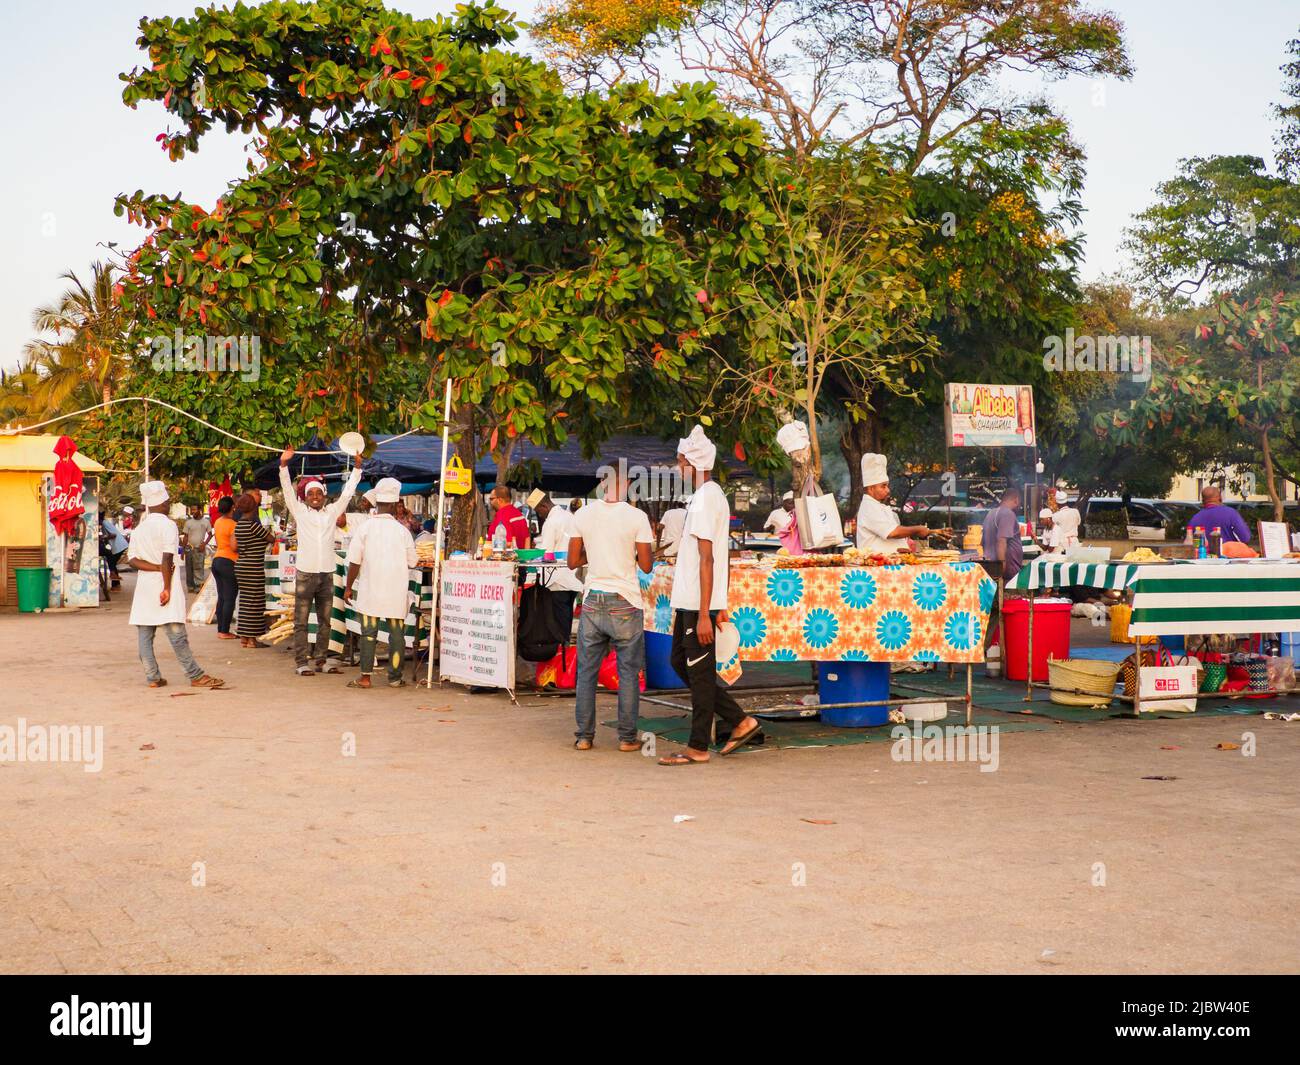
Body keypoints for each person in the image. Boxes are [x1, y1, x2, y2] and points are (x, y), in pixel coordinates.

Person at [658, 426, 762, 766]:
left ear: (694, 464)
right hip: (692, 600)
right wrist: (716, 604)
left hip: (696, 603)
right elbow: (716, 556)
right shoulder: (705, 496)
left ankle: (698, 746)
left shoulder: (706, 498)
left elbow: (709, 558)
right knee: (679, 661)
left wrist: (707, 612)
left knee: (699, 673)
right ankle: (741, 720)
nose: (678, 469)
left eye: (681, 462)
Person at [565, 478, 653, 751]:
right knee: (627, 673)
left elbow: (572, 562)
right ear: (626, 485)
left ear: (604, 484)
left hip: (593, 599)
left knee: (586, 672)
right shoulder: (638, 517)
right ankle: (627, 739)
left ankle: (584, 737)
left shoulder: (583, 515)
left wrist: (596, 557)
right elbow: (647, 566)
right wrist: (631, 555)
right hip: (625, 601)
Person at [127, 480, 223, 690]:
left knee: (145, 634)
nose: (169, 503)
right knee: (176, 633)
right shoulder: (168, 525)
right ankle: (195, 675)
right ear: (161, 503)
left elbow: (132, 560)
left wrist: (152, 569)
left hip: (145, 587)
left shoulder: (139, 529)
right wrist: (166, 587)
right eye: (168, 501)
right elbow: (167, 558)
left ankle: (152, 677)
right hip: (163, 584)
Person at [279, 447, 362, 676]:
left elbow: (347, 494)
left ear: (324, 495)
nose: (315, 498)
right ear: (304, 497)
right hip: (305, 574)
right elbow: (287, 491)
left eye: (318, 494)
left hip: (327, 574)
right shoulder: (300, 512)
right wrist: (284, 466)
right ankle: (301, 663)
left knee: (326, 621)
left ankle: (322, 660)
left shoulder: (333, 512)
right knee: (302, 621)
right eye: (310, 494)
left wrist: (357, 469)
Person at [344, 478, 417, 689]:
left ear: (377, 503)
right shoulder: (403, 532)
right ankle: (395, 678)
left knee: (369, 633)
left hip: (370, 589)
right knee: (396, 634)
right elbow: (413, 561)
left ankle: (365, 678)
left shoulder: (365, 528)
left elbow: (354, 561)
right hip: (395, 590)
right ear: (395, 505)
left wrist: (348, 588)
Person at [855, 454, 934, 555]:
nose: (888, 490)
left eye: (887, 486)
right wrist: (917, 529)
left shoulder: (877, 506)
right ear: (871, 489)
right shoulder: (869, 507)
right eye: (883, 486)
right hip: (877, 566)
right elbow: (892, 532)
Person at [233, 490, 271, 648]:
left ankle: (244, 637)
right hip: (254, 567)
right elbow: (271, 538)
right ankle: (252, 639)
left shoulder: (239, 525)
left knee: (245, 601)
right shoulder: (254, 526)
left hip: (242, 566)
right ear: (254, 507)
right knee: (255, 603)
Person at [211, 496, 239, 640]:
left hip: (216, 560)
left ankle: (220, 629)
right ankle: (225, 631)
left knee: (222, 597)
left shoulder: (217, 522)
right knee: (229, 597)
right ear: (232, 507)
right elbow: (234, 547)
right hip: (229, 561)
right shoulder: (233, 524)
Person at [982, 486, 1023, 582]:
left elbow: (983, 542)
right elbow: (1001, 541)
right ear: (1016, 500)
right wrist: (1002, 566)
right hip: (1006, 573)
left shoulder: (990, 513)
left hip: (991, 567)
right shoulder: (1007, 514)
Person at [1186, 485, 1252, 545]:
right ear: (1220, 498)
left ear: (1203, 500)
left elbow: (1190, 544)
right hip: (1229, 556)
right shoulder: (1231, 513)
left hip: (1204, 556)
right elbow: (1245, 538)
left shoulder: (1194, 519)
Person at [182, 504, 212, 592]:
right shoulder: (188, 522)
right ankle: (190, 587)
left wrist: (204, 544)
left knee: (198, 567)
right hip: (189, 548)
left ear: (200, 510)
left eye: (194, 509)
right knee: (189, 568)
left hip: (199, 548)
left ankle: (198, 586)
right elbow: (185, 537)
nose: (192, 511)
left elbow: (210, 535)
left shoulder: (206, 522)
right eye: (192, 510)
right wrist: (183, 550)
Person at [101, 515, 128, 589]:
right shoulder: (105, 522)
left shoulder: (104, 523)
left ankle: (116, 585)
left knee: (111, 561)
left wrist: (103, 537)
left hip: (119, 546)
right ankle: (116, 584)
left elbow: (113, 535)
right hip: (119, 545)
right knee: (112, 563)